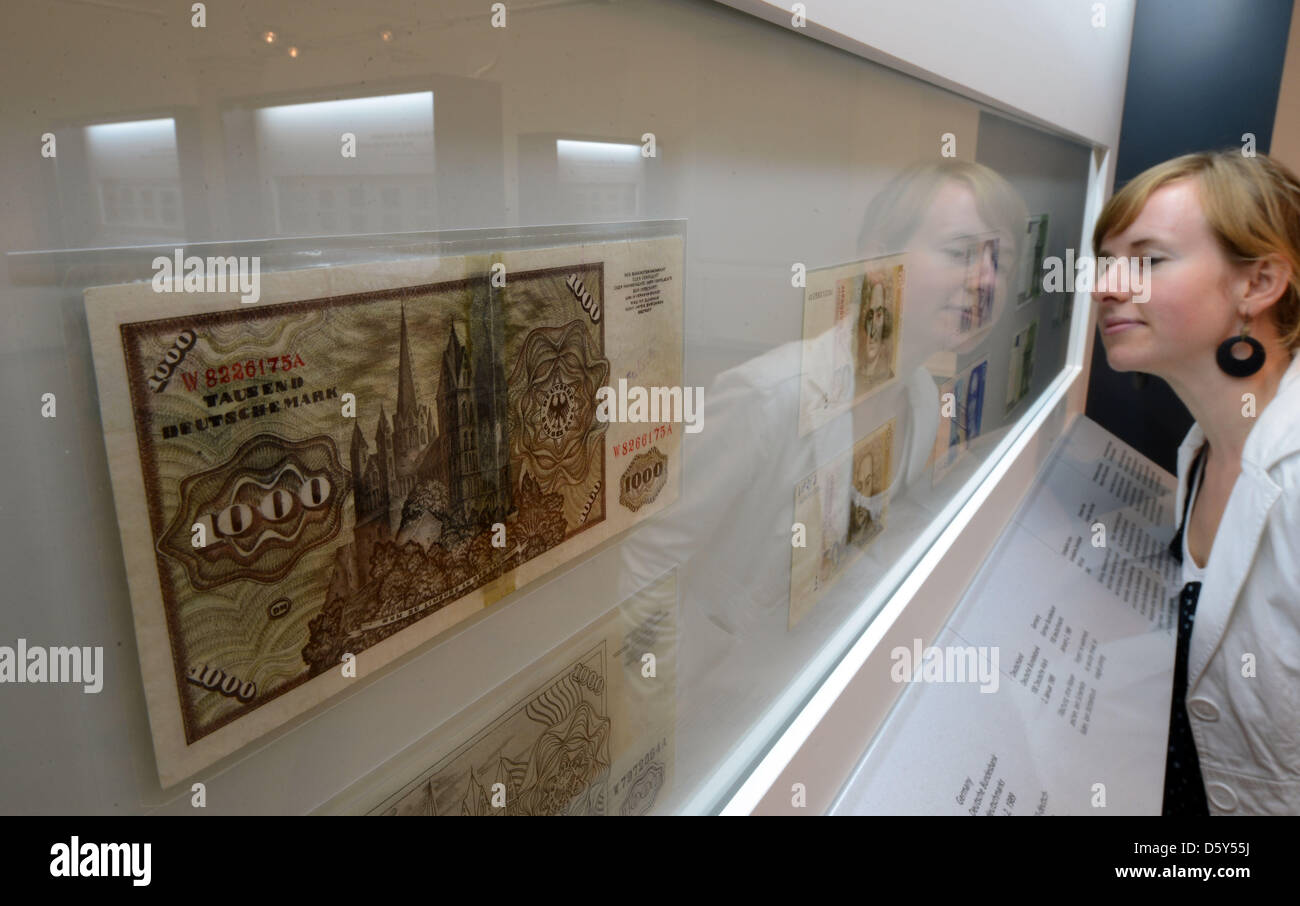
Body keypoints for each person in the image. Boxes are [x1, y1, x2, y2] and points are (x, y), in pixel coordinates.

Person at [1091, 149, 1300, 815]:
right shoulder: (1204, 452)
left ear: (1258, 282)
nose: (1105, 287)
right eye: (1107, 261)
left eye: (1149, 261)